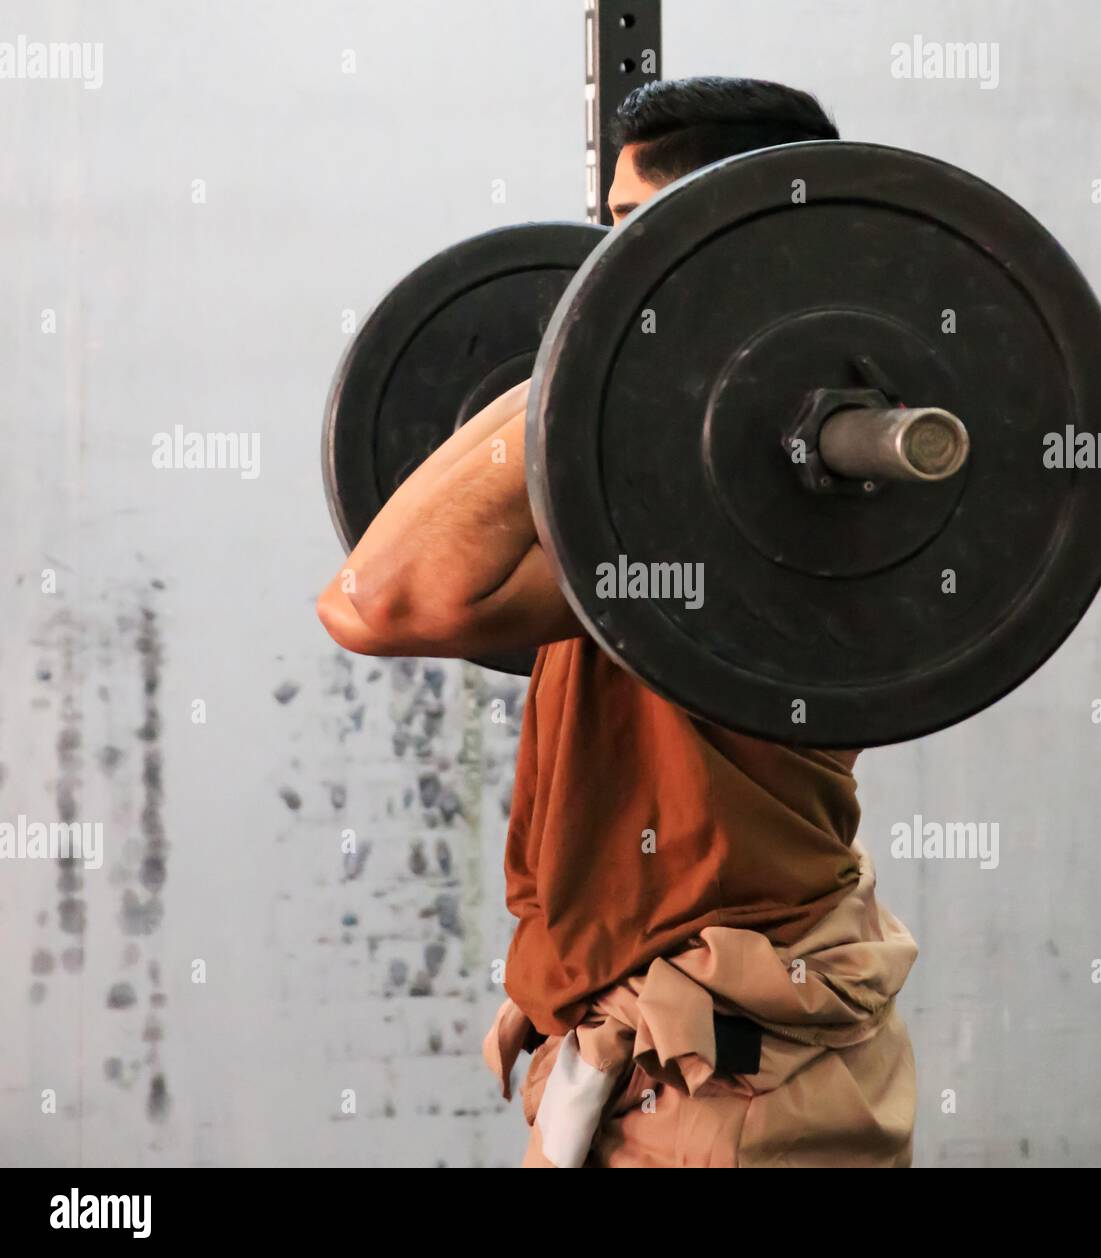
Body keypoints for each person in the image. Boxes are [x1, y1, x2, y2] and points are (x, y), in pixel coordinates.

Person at [316, 76, 919, 1168]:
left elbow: (385, 602)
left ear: (733, 247)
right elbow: (367, 592)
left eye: (642, 238)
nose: (611, 273)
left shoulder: (762, 509)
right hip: (642, 1062)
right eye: (611, 241)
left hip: (733, 1102)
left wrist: (573, 371)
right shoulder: (645, 487)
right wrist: (592, 367)